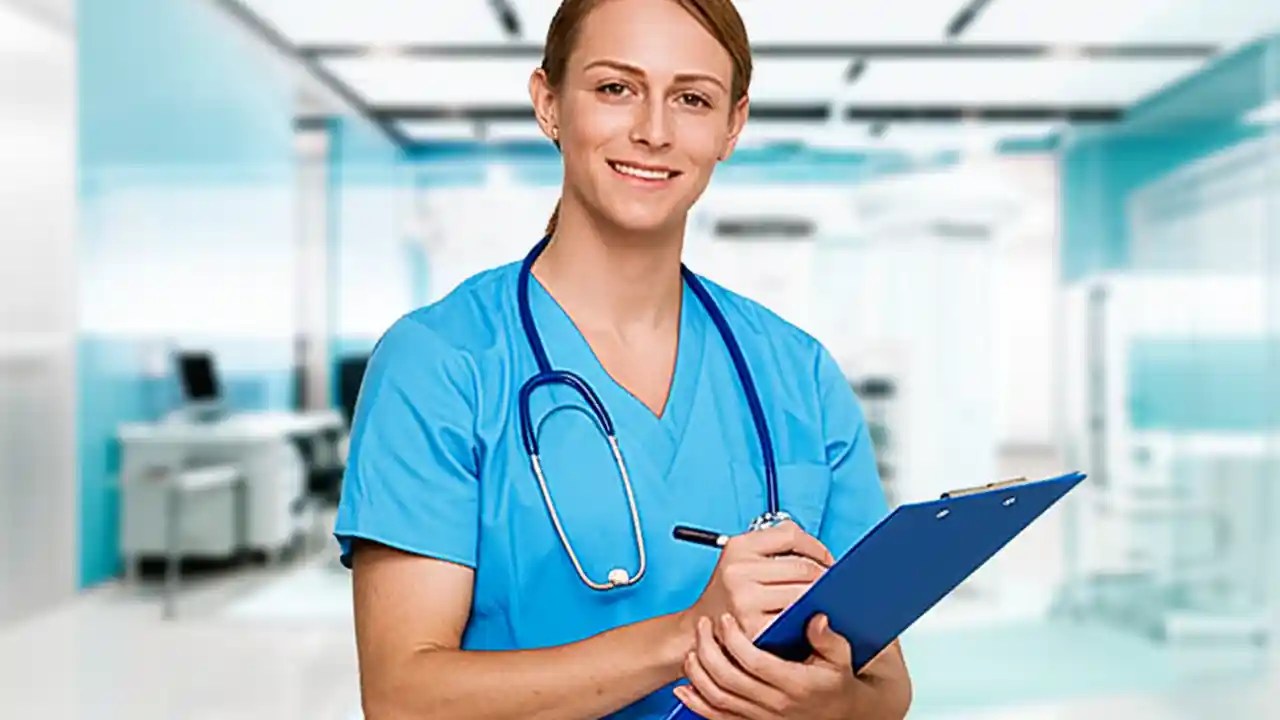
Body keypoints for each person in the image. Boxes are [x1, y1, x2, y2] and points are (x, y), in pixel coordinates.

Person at [335, 0, 913, 717]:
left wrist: (828, 706)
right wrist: (687, 636)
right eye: (616, 88)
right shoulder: (440, 363)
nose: (653, 131)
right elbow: (403, 699)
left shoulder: (797, 372)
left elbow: (885, 687)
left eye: (692, 99)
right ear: (548, 103)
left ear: (732, 126)